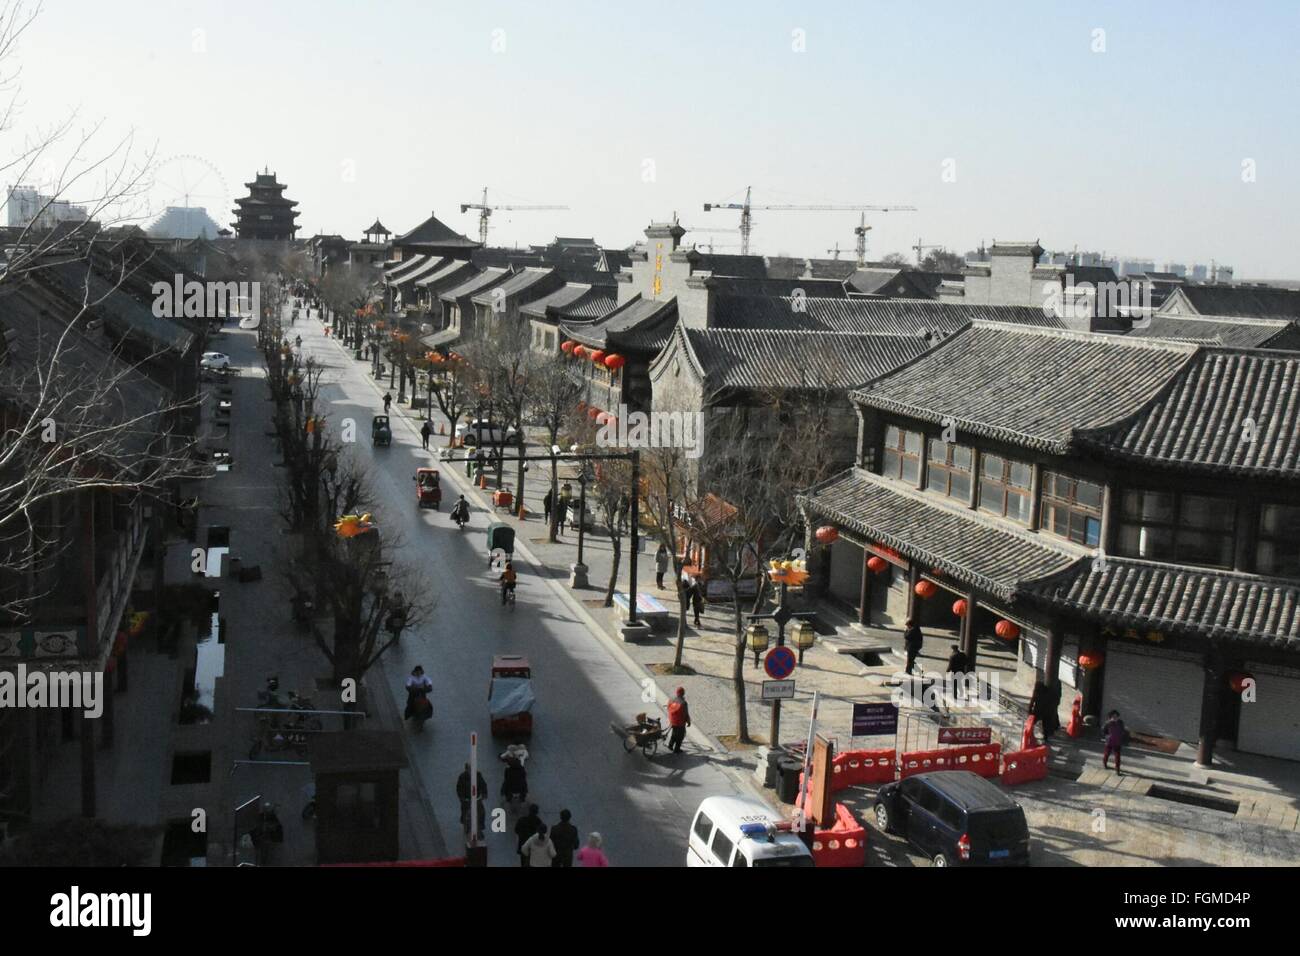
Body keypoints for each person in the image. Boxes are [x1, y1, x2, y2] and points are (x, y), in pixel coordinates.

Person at [456, 764, 487, 839]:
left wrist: (484, 794)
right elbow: (459, 788)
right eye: (469, 769)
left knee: (482, 812)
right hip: (467, 799)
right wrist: (462, 798)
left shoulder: (478, 775)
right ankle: (465, 825)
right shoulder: (462, 777)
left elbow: (483, 785)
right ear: (466, 769)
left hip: (476, 798)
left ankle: (481, 827)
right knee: (465, 811)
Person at [1030, 678, 1062, 743]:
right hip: (1047, 711)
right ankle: (1046, 737)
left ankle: (1031, 734)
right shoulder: (1049, 691)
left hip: (1039, 710)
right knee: (1046, 725)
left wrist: (1030, 710)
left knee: (1033, 722)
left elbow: (1032, 701)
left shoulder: (1037, 691)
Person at [666, 687, 691, 754]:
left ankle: (670, 745)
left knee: (674, 733)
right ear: (683, 693)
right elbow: (686, 713)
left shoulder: (671, 700)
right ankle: (677, 749)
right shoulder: (683, 703)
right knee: (680, 736)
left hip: (673, 721)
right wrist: (688, 721)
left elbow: (668, 708)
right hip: (680, 723)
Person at [1102, 710, 1126, 774]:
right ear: (1110, 717)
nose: (1115, 718)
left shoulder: (1120, 722)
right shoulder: (1108, 723)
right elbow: (1104, 731)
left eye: (1116, 716)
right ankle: (1104, 763)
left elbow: (1123, 730)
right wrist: (1108, 737)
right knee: (1107, 754)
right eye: (1113, 716)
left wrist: (1122, 737)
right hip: (1109, 741)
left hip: (1117, 742)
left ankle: (1117, 769)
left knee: (1117, 756)